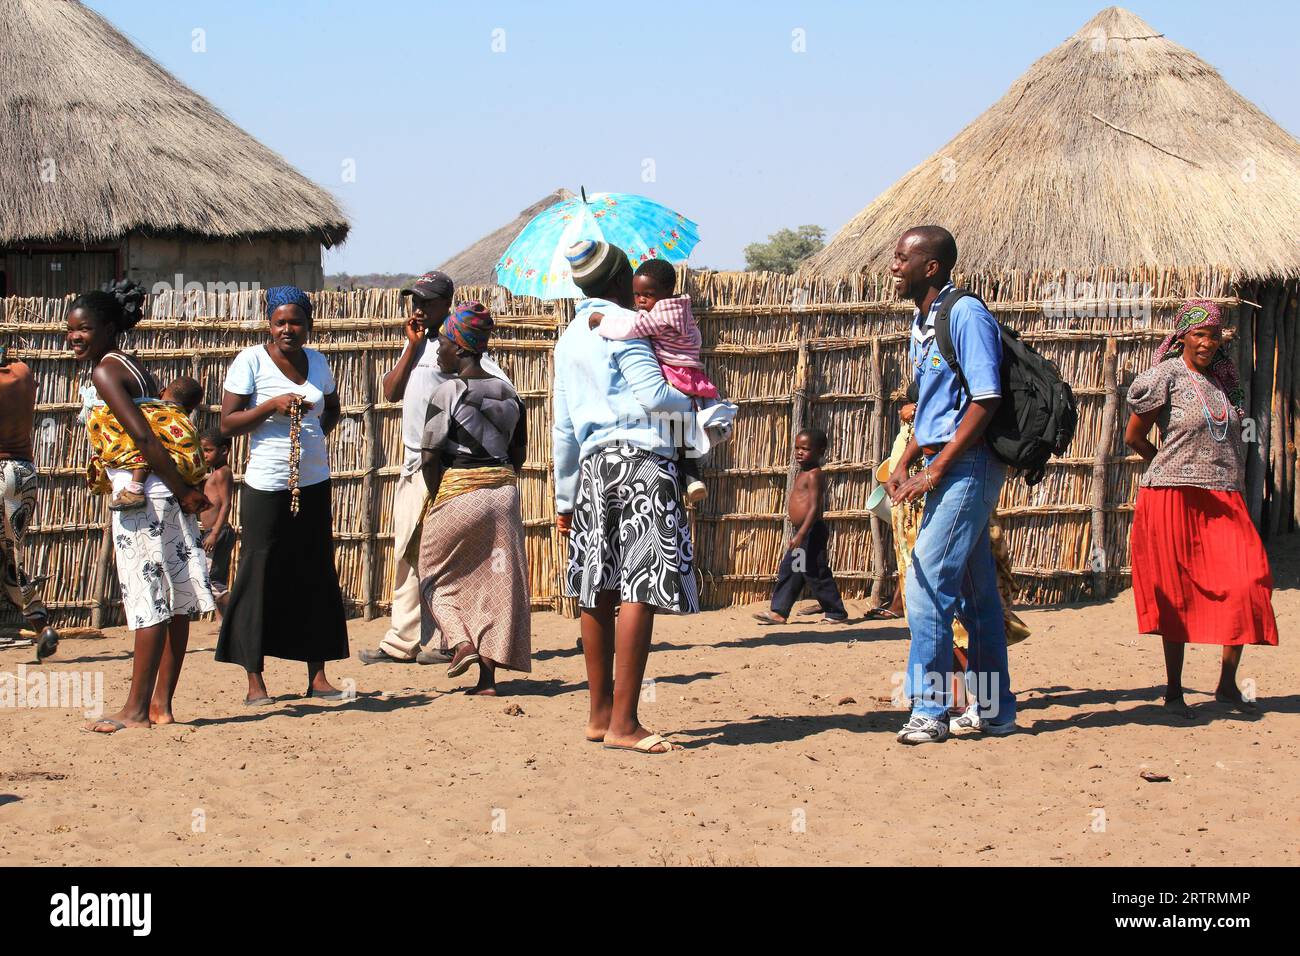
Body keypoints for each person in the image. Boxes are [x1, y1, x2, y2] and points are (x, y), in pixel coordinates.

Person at [554, 240, 699, 754]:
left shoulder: (568, 339)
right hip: (641, 461)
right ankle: (625, 723)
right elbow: (657, 397)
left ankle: (598, 717)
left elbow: (564, 429)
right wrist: (701, 402)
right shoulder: (622, 328)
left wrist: (564, 499)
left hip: (594, 469)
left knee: (598, 585)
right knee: (642, 584)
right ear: (619, 282)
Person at [884, 226, 1016, 745]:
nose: (893, 267)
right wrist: (910, 456)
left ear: (930, 266)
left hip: (969, 466)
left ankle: (931, 710)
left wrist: (937, 468)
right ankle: (995, 710)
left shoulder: (966, 315)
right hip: (942, 462)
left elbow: (985, 399)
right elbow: (936, 407)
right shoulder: (925, 322)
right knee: (974, 593)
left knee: (924, 584)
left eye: (901, 258)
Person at [66, 281, 214, 733]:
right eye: (70, 331)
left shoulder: (105, 373)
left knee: (148, 600)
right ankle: (161, 707)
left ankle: (134, 711)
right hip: (164, 494)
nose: (75, 337)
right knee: (175, 600)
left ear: (108, 328)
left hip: (146, 501)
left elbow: (144, 438)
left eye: (84, 329)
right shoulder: (134, 366)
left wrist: (184, 490)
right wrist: (181, 491)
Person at [1125, 300, 1277, 718]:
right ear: (1182, 338)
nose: (1208, 342)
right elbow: (1133, 436)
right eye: (1199, 334)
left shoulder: (1226, 383)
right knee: (1175, 593)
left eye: (1214, 334)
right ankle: (1174, 691)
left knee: (1249, 580)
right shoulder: (1166, 377)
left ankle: (1226, 684)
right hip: (1172, 497)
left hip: (1224, 497)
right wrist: (1167, 464)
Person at [358, 271, 512, 666]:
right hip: (415, 465)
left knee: (448, 556)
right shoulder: (420, 348)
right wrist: (410, 350)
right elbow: (390, 393)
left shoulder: (455, 347)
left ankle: (447, 642)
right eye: (416, 301)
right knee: (407, 552)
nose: (419, 309)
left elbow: (500, 389)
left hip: (445, 469)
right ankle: (403, 641)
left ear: (447, 304)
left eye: (427, 302)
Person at [215, 286, 350, 705]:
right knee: (259, 574)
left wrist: (311, 434)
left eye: (296, 322)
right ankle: (255, 681)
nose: (288, 329)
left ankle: (319, 675)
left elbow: (333, 408)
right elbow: (227, 424)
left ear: (309, 325)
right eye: (280, 322)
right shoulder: (250, 362)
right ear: (269, 324)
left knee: (314, 570)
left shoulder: (318, 362)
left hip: (313, 481)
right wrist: (270, 407)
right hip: (267, 484)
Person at [418, 302, 531, 695]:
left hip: (461, 492)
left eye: (444, 342)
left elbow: (429, 455)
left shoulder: (447, 391)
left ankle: (459, 641)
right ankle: (486, 681)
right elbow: (519, 453)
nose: (438, 350)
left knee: (432, 574)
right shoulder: (509, 392)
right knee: (495, 584)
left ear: (461, 348)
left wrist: (439, 497)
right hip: (506, 495)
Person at [589, 258, 719, 503]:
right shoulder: (675, 307)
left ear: (666, 292)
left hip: (676, 372)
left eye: (647, 295)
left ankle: (691, 475)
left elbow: (631, 328)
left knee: (674, 421)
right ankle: (689, 478)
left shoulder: (662, 314)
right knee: (677, 424)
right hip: (683, 370)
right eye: (636, 294)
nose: (640, 301)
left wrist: (601, 321)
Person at [753, 427, 848, 625]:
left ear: (820, 451)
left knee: (815, 571)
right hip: (803, 533)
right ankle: (779, 612)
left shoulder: (814, 474)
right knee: (792, 569)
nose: (799, 452)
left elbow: (814, 507)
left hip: (811, 532)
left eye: (805, 448)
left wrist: (802, 533)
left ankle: (836, 611)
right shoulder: (802, 472)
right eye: (797, 448)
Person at [0, 346, 59, 659]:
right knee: (13, 554)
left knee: (10, 557)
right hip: (24, 473)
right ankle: (40, 626)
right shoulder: (23, 374)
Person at [112, 375, 205, 511]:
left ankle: (135, 488)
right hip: (185, 480)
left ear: (162, 392)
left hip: (153, 490)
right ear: (190, 410)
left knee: (147, 448)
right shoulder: (184, 423)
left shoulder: (147, 413)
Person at [198, 428, 234, 617]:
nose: (204, 455)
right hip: (216, 531)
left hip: (217, 532)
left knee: (211, 580)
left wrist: (213, 533)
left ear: (223, 451)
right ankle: (223, 623)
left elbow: (226, 504)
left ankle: (237, 616)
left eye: (208, 450)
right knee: (217, 578)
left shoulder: (221, 473)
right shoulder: (217, 473)